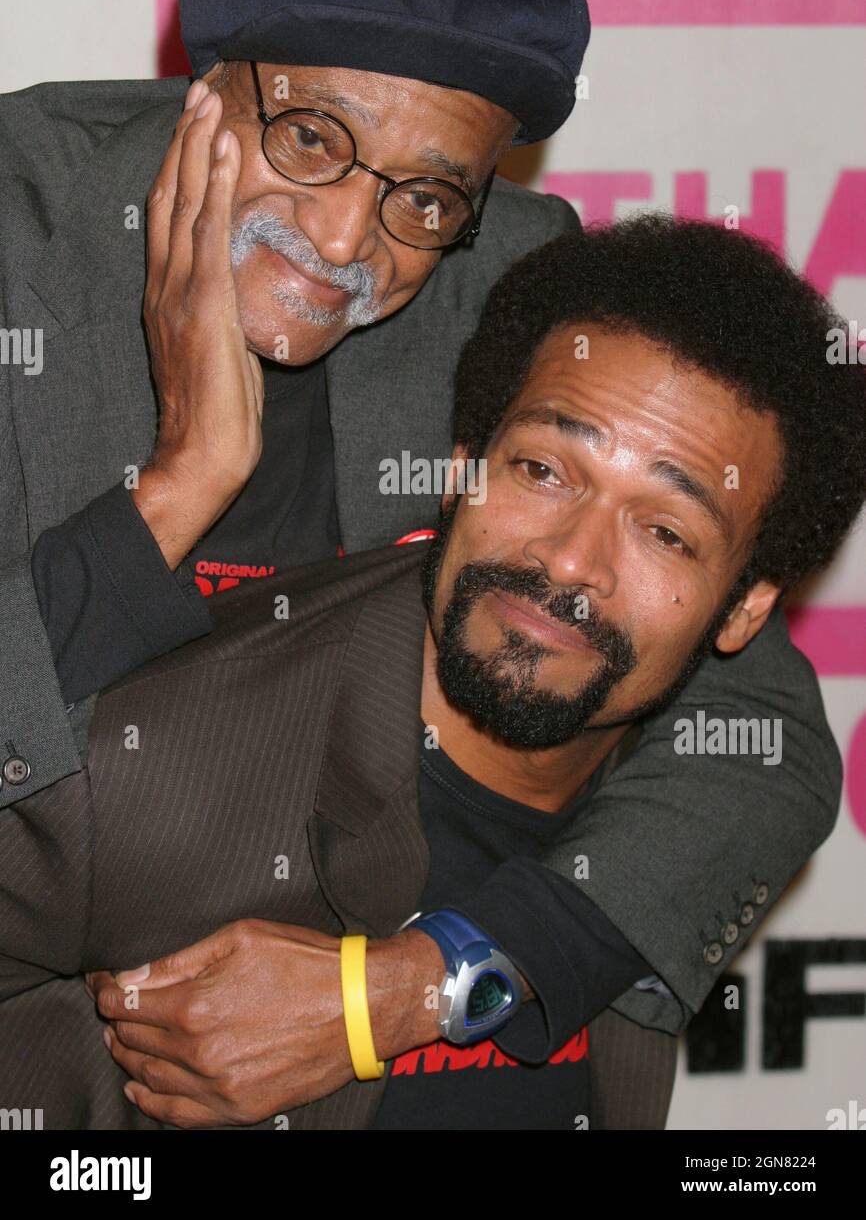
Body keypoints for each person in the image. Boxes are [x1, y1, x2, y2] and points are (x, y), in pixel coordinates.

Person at [0, 0, 841, 1105]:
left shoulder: (499, 279)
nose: (344, 241)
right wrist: (176, 490)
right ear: (203, 88)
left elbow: (756, 736)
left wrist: (428, 982)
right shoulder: (21, 233)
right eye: (308, 138)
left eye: (426, 194)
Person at [3, 214, 865, 1131]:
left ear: (744, 611)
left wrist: (414, 991)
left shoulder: (695, 821)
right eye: (542, 468)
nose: (573, 561)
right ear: (459, 473)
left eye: (665, 531)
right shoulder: (134, 768)